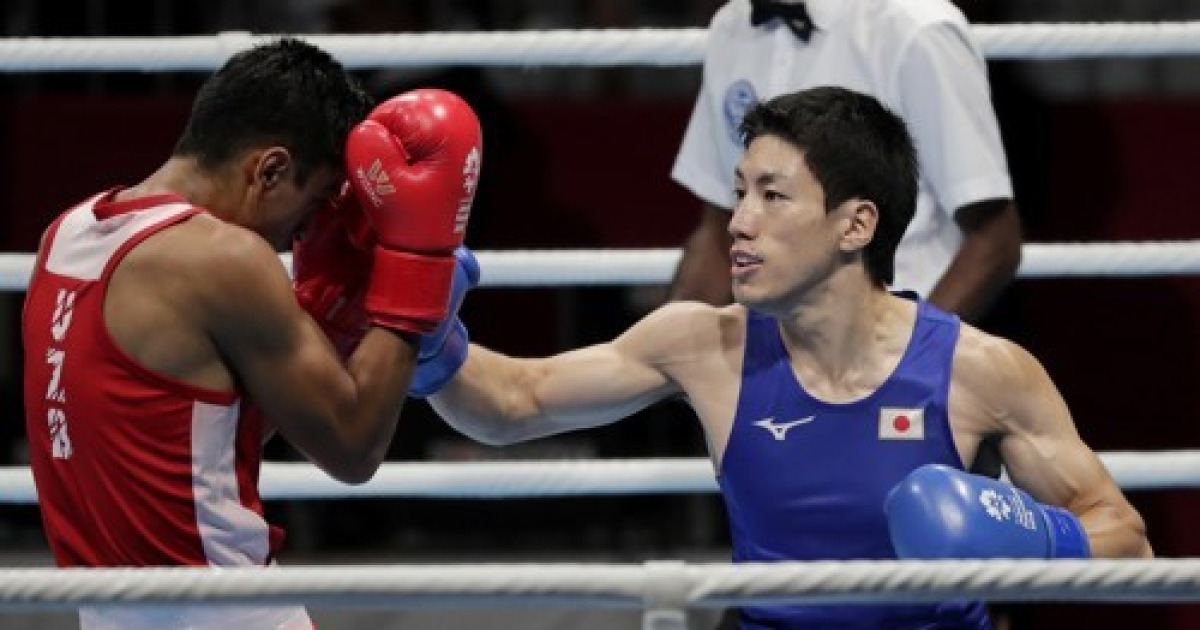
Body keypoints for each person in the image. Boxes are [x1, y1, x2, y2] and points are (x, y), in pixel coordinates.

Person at [420, 87, 1152, 629]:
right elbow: (513, 403)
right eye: (740, 193)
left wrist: (1032, 533)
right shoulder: (706, 343)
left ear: (856, 223)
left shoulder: (979, 371)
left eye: (773, 196)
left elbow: (1128, 544)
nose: (739, 223)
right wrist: (431, 337)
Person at [21, 38, 481, 629]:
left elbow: (185, 436)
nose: (303, 233)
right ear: (271, 169)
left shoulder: (64, 236)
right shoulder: (223, 258)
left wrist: (326, 318)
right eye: (312, 204)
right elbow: (353, 446)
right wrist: (412, 265)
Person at [669, 0, 1021, 323]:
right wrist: (666, 368)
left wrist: (907, 364)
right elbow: (718, 232)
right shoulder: (732, 27)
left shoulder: (915, 28)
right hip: (771, 358)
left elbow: (993, 238)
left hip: (890, 340)